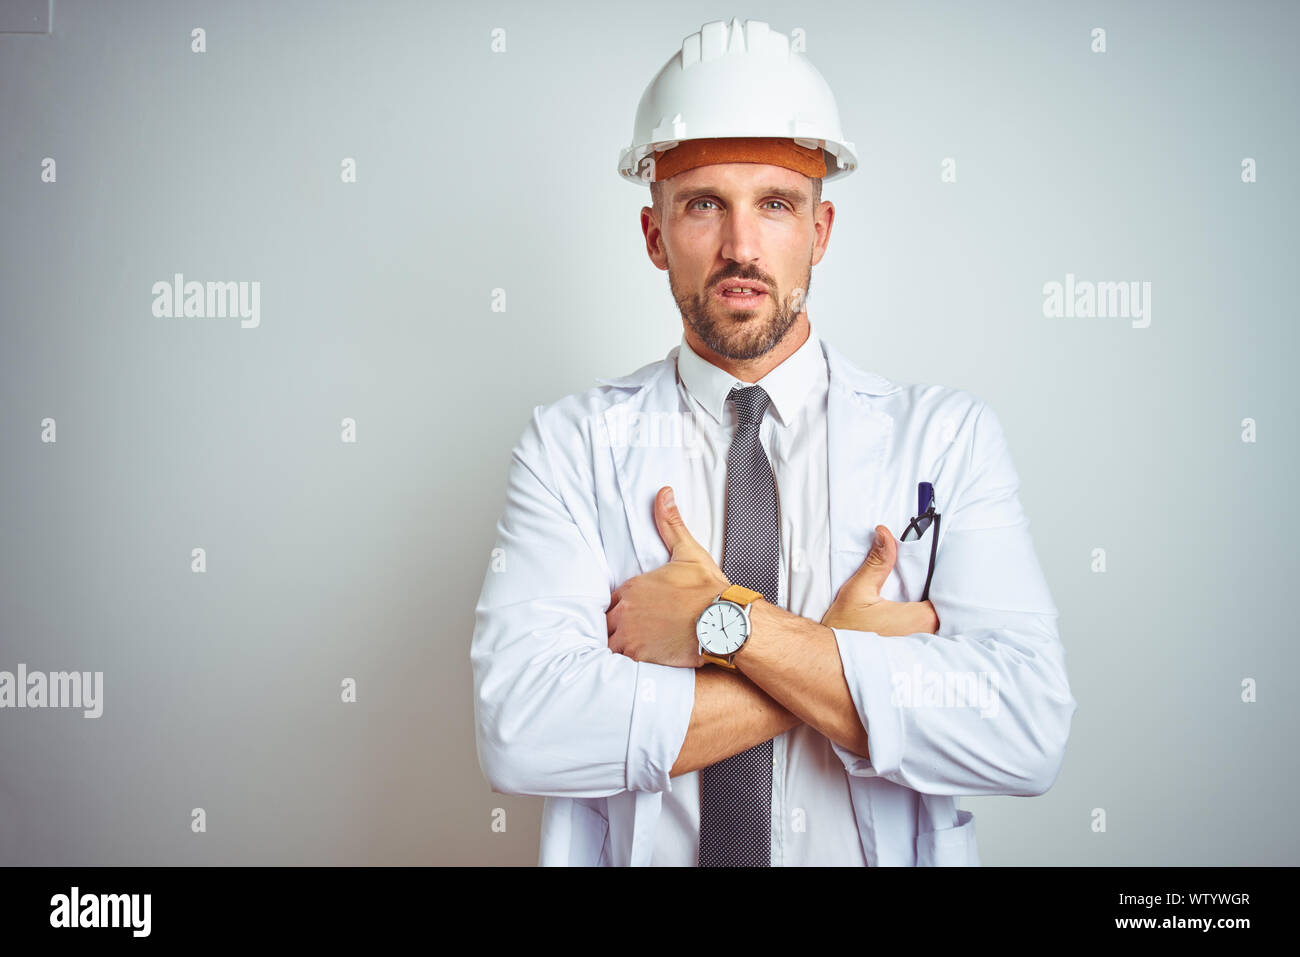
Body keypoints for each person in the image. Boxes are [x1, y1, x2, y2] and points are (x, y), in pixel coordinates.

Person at [470, 17, 1076, 866]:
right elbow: (522, 730)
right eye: (704, 203)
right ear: (655, 237)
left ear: (820, 232)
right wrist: (847, 652)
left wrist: (725, 628)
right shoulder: (572, 445)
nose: (741, 246)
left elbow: (1025, 728)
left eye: (776, 204)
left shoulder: (947, 438)